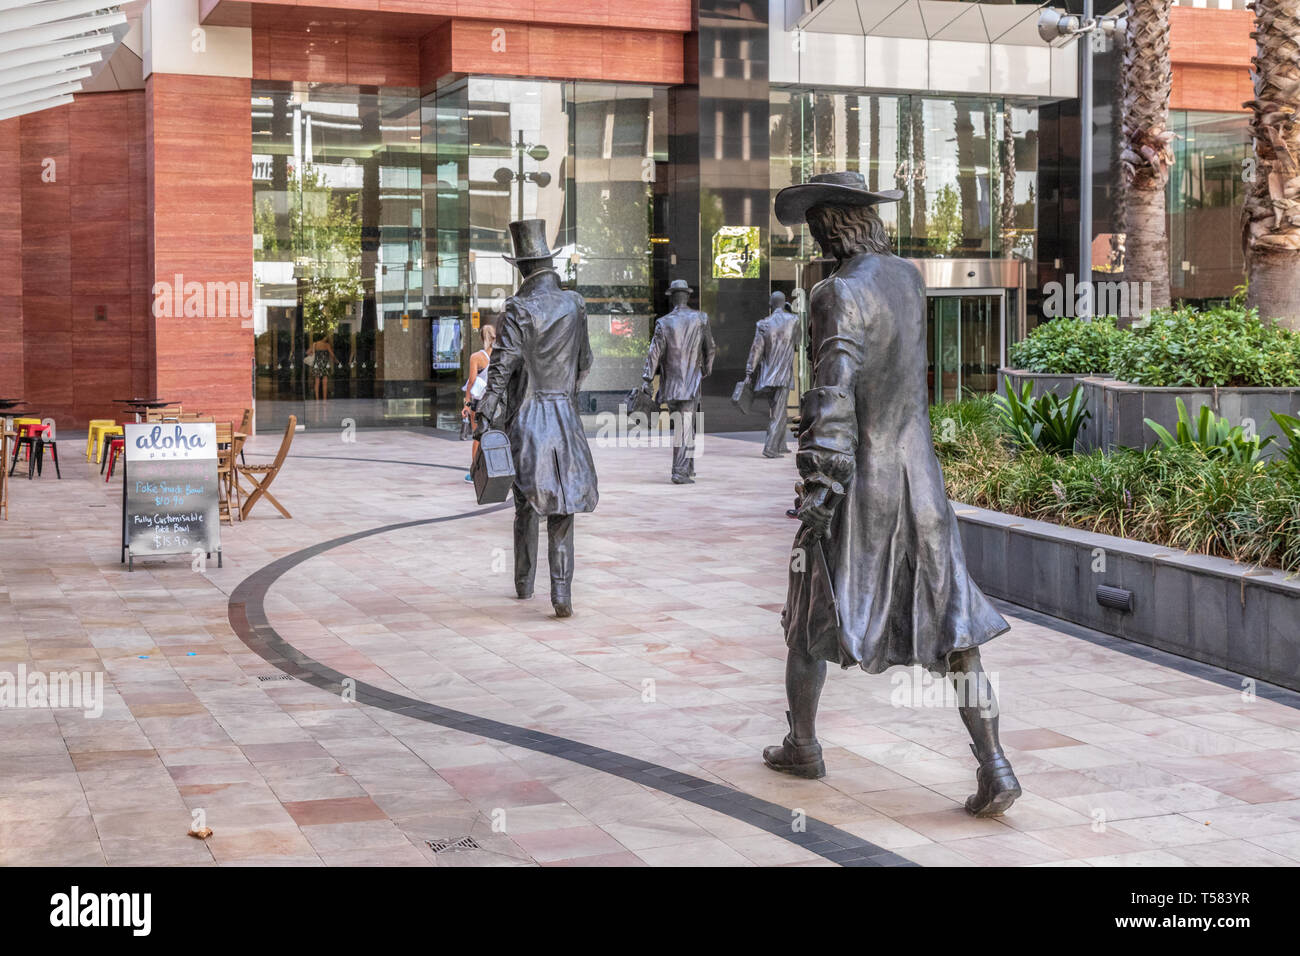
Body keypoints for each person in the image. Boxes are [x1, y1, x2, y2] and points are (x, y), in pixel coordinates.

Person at [763, 171, 1021, 818]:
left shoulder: (835, 294)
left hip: (863, 486)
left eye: (818, 229)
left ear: (830, 228)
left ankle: (803, 743)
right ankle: (995, 762)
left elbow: (833, 397)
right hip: (923, 482)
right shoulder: (907, 279)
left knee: (809, 609)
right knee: (954, 626)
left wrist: (818, 489)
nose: (817, 241)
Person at [475, 219, 599, 618]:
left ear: (522, 268)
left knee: (525, 502)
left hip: (527, 419)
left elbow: (501, 367)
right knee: (563, 506)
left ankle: (524, 583)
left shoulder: (518, 308)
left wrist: (484, 410)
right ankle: (561, 594)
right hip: (565, 416)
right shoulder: (574, 303)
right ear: (548, 263)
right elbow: (585, 362)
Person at [640, 279, 716, 484]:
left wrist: (647, 379)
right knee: (685, 425)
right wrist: (705, 370)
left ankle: (688, 467)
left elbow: (653, 355)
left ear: (673, 297)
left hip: (671, 384)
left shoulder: (663, 323)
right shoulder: (701, 318)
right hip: (691, 383)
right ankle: (680, 471)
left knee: (685, 425)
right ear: (688, 296)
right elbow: (711, 348)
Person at [742, 291, 801, 458]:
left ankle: (781, 445)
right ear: (784, 303)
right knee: (778, 411)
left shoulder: (764, 324)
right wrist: (791, 312)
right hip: (782, 374)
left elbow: (756, 351)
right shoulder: (794, 320)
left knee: (779, 410)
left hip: (767, 375)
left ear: (771, 303)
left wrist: (749, 372)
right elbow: (798, 341)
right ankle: (770, 447)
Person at [463, 323, 497, 482]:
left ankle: (475, 472)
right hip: (496, 402)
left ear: (481, 338)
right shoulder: (501, 355)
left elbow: (471, 381)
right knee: (497, 435)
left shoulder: (476, 357)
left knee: (478, 436)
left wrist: (467, 403)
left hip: (479, 402)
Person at [306, 335, 336, 403]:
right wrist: (336, 360)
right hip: (324, 365)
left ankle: (317, 400)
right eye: (326, 337)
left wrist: (313, 353)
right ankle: (324, 400)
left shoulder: (315, 344)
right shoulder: (326, 345)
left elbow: (307, 352)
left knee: (316, 383)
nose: (327, 338)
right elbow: (332, 354)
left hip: (317, 365)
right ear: (324, 337)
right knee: (325, 383)